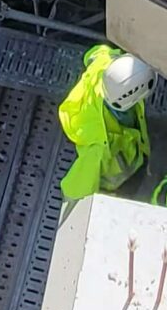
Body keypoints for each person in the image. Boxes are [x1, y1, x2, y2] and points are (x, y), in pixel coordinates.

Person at [58, 45, 154, 200]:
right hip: (119, 184)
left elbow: (93, 54)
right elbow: (74, 193)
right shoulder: (100, 148)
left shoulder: (108, 69)